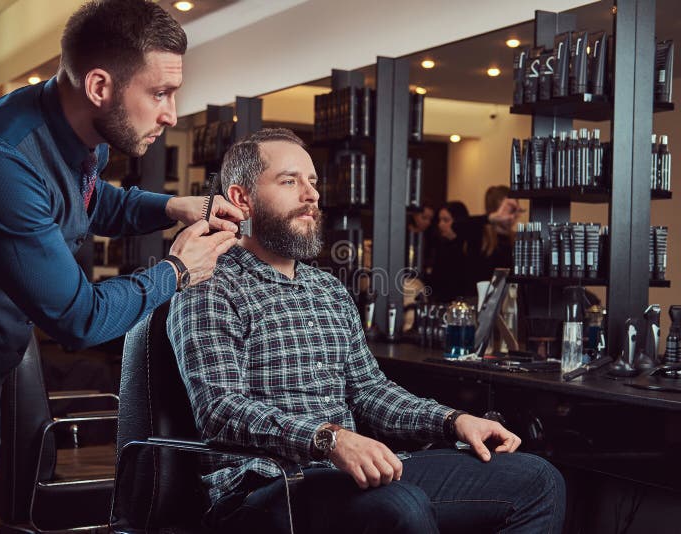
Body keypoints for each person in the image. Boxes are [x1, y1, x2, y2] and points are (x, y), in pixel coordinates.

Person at [0, 2, 241, 533]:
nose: (171, 114)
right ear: (99, 86)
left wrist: (171, 207)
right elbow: (79, 318)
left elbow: (90, 203)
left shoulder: (84, 137)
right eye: (160, 93)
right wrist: (178, 269)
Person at [168, 128, 566, 534]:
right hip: (263, 487)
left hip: (345, 474)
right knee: (399, 506)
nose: (311, 195)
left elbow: (369, 391)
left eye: (312, 182)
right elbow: (220, 410)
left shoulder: (327, 289)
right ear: (241, 199)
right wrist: (331, 440)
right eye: (289, 181)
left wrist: (454, 420)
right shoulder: (209, 285)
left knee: (538, 480)